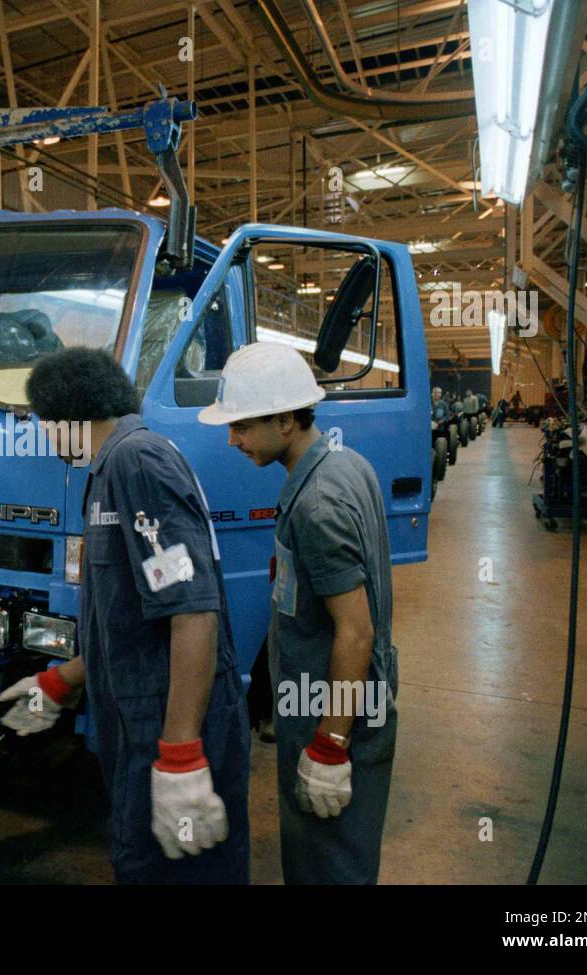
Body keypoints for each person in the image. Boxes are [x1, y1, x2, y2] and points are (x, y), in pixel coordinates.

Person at [0, 348, 250, 884]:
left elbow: (192, 610)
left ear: (63, 418)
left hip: (166, 725)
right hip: (144, 722)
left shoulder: (137, 463)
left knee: (167, 871)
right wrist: (61, 681)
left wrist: (180, 755)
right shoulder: (112, 469)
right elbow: (135, 619)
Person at [200, 342, 397, 885]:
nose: (232, 439)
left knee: (327, 869)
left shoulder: (317, 505)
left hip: (329, 711)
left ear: (286, 419)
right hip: (338, 702)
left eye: (241, 425)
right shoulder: (345, 464)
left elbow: (356, 633)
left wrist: (330, 744)